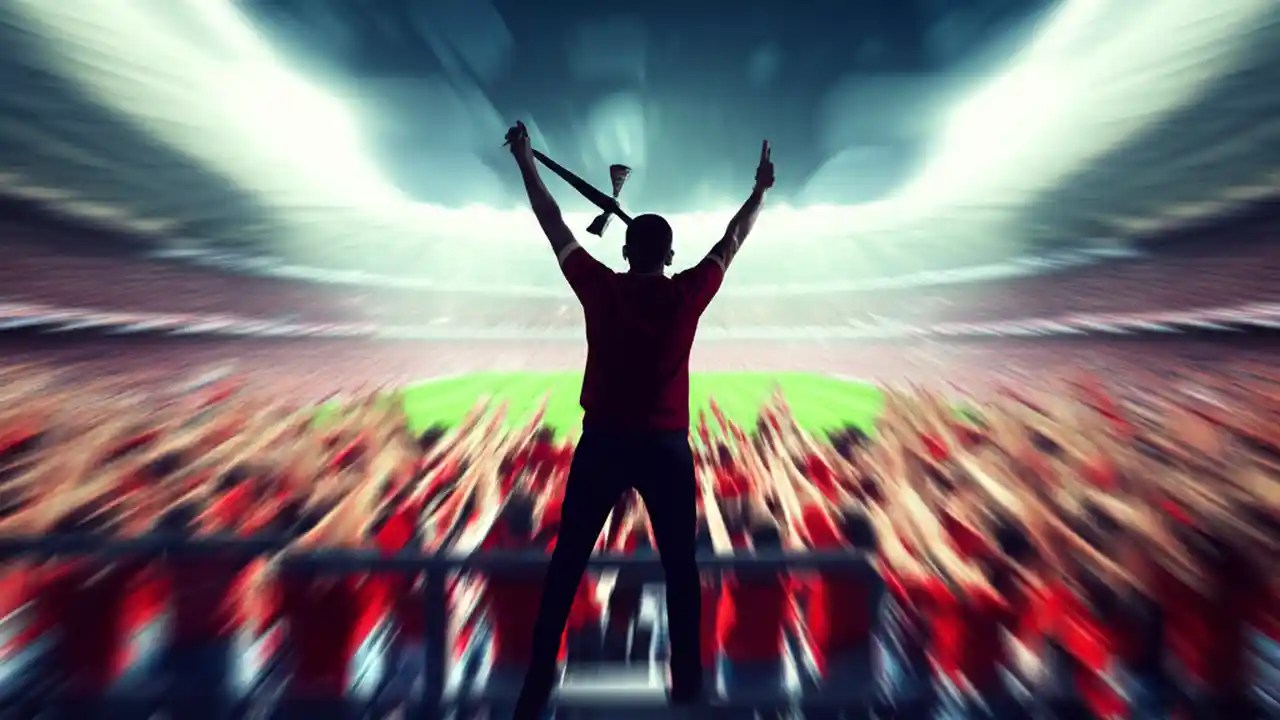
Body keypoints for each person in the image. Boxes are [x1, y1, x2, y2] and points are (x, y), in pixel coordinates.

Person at [504, 120, 775, 720]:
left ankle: (536, 681)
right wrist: (759, 194)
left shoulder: (601, 290)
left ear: (626, 251)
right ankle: (686, 683)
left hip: (602, 443)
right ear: (670, 255)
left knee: (568, 561)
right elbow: (731, 240)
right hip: (665, 448)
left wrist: (526, 160)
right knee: (682, 568)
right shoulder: (686, 296)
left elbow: (554, 224)